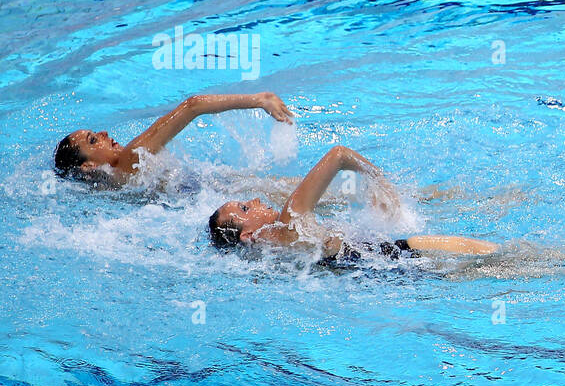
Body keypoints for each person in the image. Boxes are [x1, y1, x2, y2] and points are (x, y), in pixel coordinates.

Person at [207, 145, 497, 263]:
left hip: (386, 272)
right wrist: (381, 184)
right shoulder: (288, 226)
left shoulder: (276, 254)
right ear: (246, 235)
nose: (255, 200)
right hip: (400, 256)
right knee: (506, 257)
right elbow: (339, 155)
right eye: (245, 208)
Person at [53, 92, 293, 185]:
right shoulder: (133, 158)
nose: (104, 134)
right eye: (94, 140)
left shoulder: (108, 187)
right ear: (88, 166)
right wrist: (261, 99)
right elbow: (193, 106)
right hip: (215, 189)